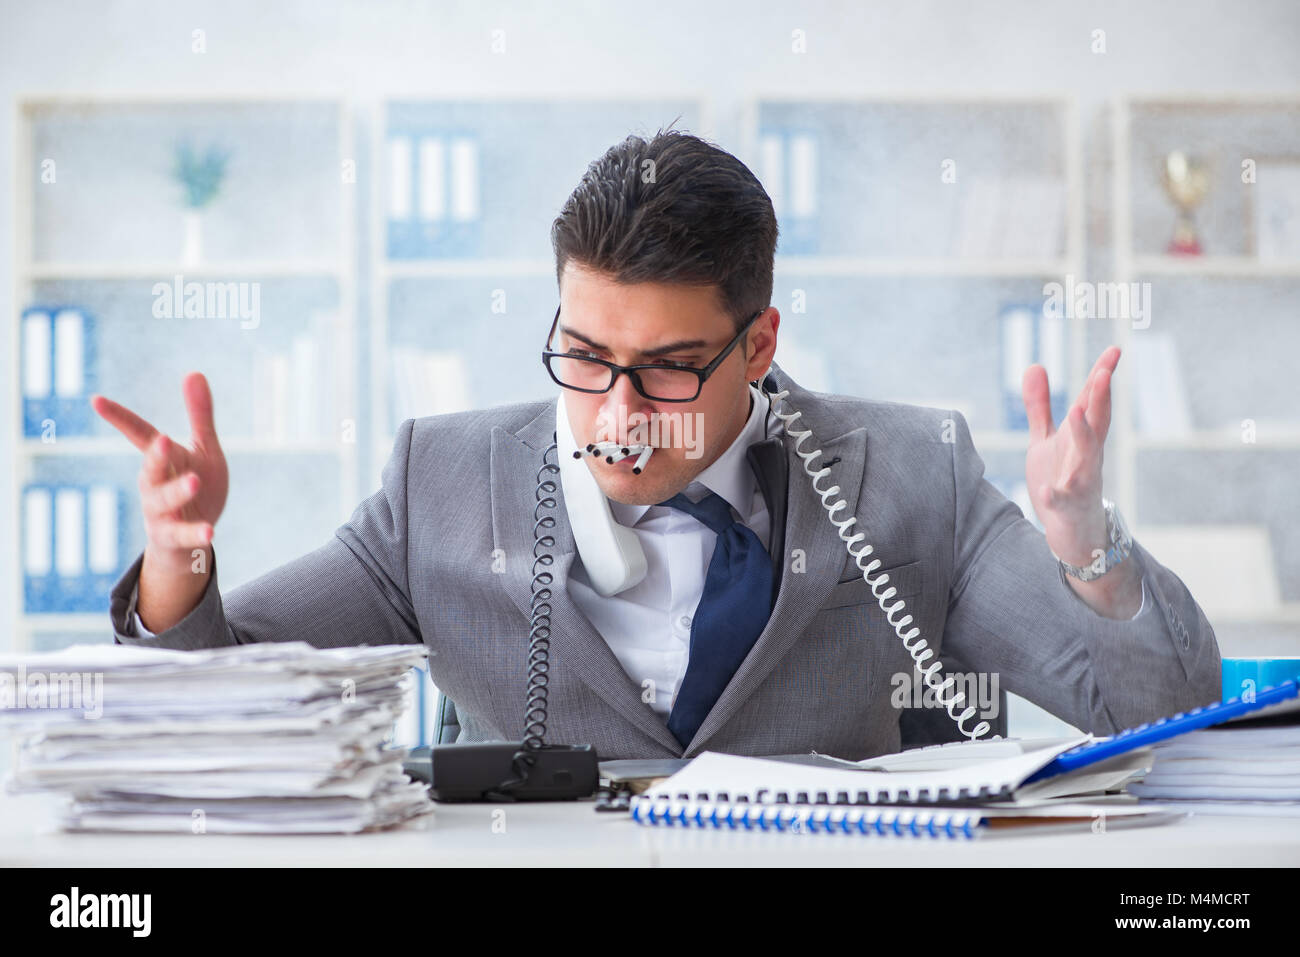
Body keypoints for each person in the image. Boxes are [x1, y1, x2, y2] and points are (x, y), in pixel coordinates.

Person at [93, 128, 1221, 761]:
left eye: (670, 366)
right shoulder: (437, 483)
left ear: (760, 340)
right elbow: (203, 718)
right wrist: (178, 563)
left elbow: (1159, 707)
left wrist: (1083, 541)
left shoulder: (910, 471)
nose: (619, 413)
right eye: (584, 355)